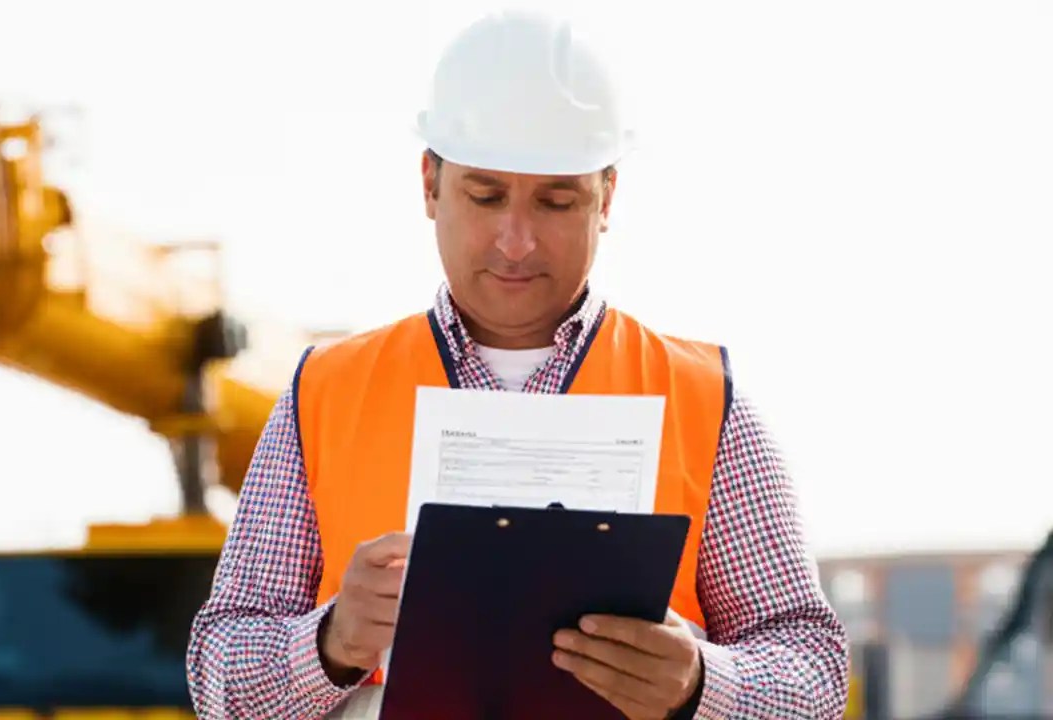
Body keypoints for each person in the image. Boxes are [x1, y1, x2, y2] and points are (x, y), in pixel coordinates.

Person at [187, 9, 849, 720]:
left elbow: (812, 673)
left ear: (607, 199)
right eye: (486, 195)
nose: (515, 241)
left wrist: (699, 684)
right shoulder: (324, 393)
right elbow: (218, 675)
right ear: (429, 184)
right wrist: (330, 642)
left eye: (556, 201)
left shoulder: (702, 401)